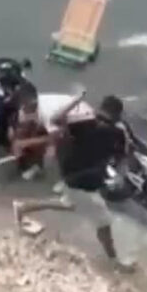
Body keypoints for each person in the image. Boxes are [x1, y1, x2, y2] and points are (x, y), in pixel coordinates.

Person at [13, 93, 136, 273]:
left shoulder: (84, 122)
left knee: (70, 203)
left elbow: (56, 120)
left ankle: (23, 207)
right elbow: (124, 155)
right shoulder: (116, 133)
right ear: (118, 115)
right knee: (104, 222)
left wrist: (76, 100)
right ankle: (115, 261)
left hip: (70, 176)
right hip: (84, 184)